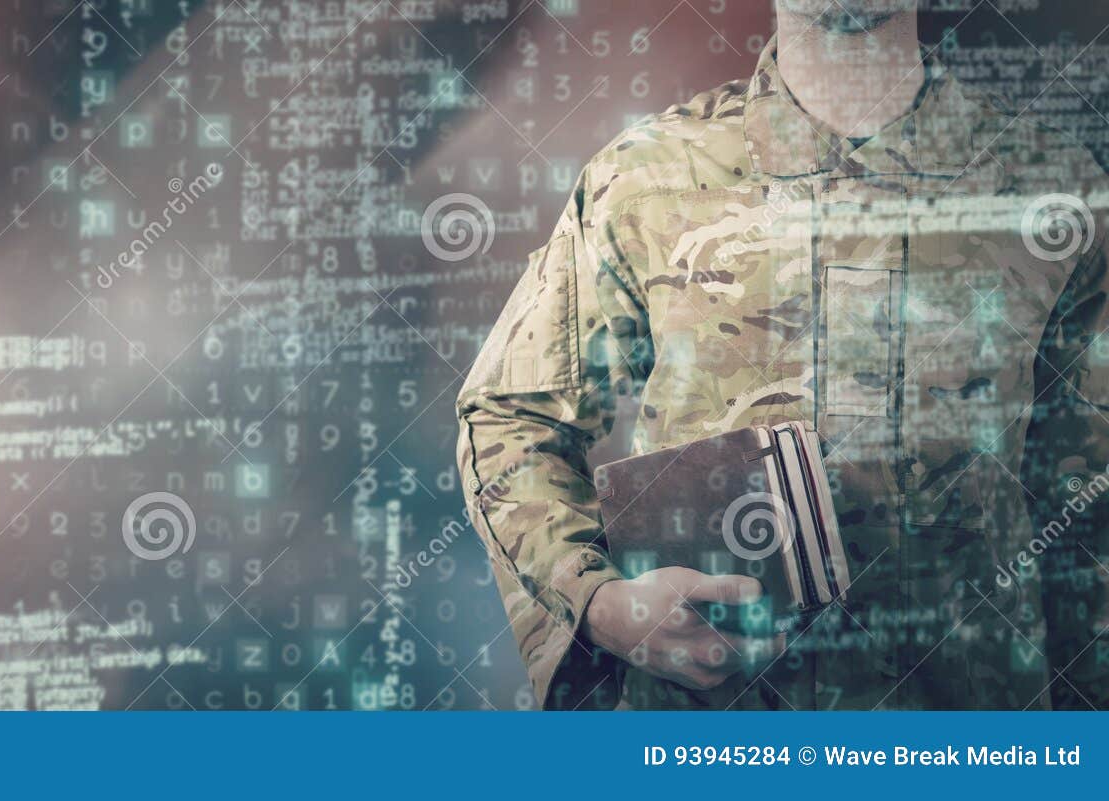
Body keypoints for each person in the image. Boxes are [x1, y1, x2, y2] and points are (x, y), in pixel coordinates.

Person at [457, 0, 1109, 710]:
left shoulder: (1058, 195)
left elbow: (1091, 505)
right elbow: (509, 418)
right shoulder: (643, 178)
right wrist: (601, 603)